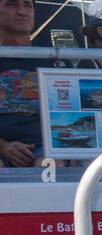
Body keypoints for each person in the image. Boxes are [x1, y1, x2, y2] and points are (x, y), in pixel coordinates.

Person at [0, 0, 39, 168]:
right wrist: (4, 147)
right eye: (12, 5)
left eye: (28, 5)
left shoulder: (55, 60)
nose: (22, 11)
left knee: (52, 166)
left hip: (45, 150)